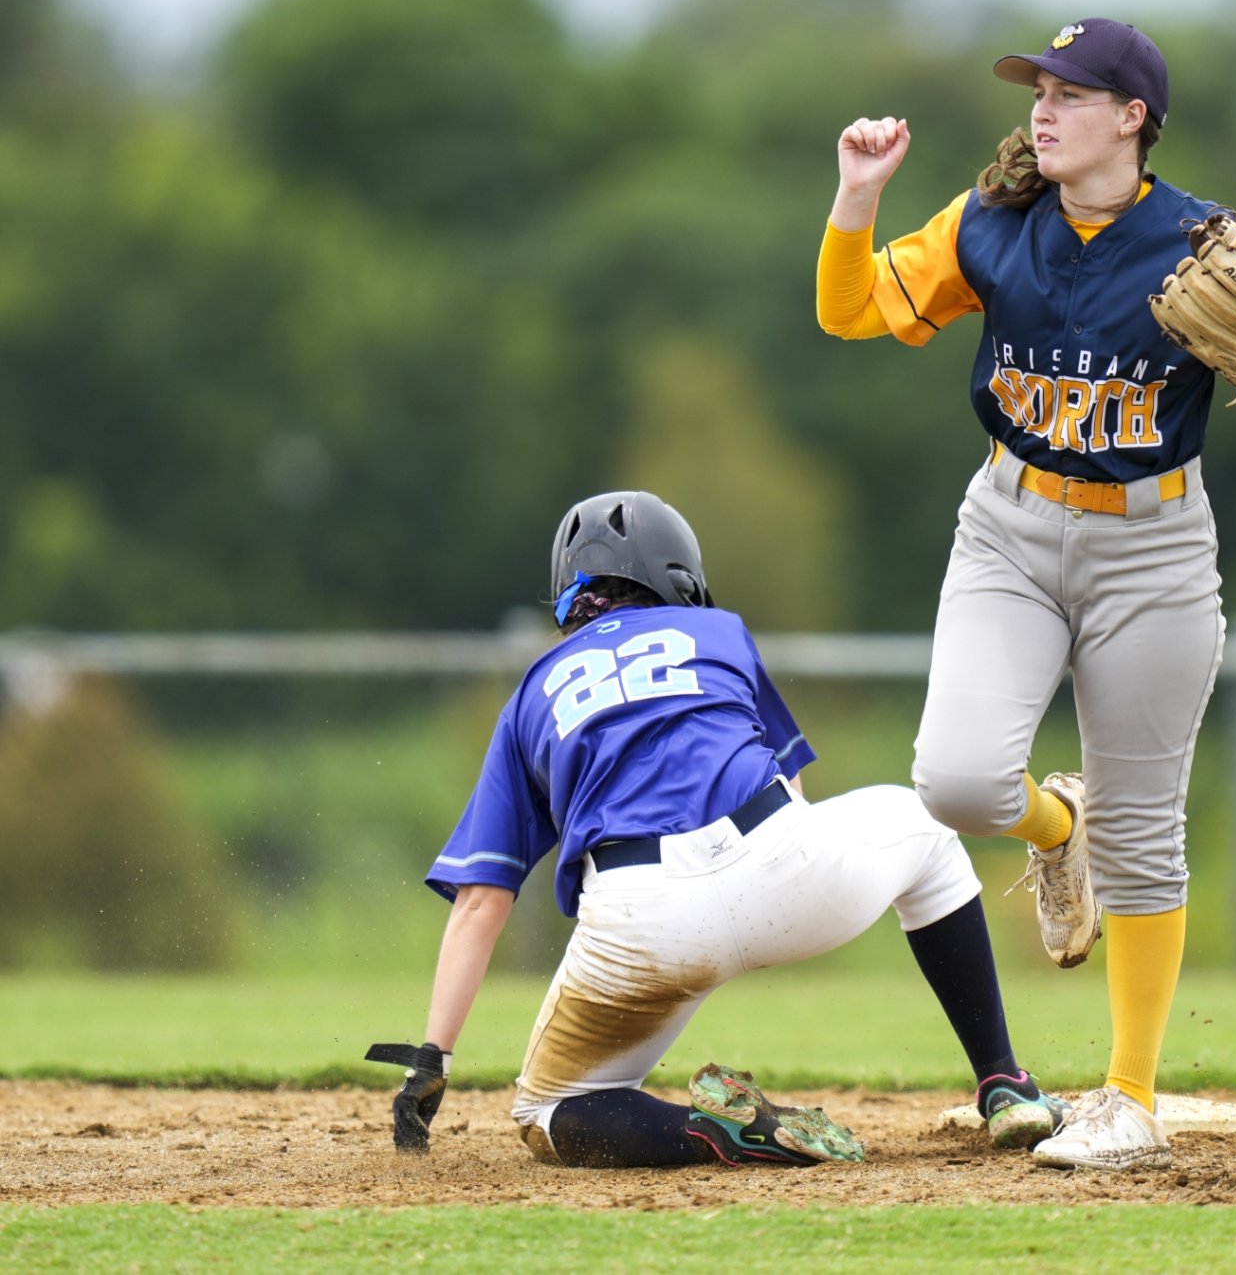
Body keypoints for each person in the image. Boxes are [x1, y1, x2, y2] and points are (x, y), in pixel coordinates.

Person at [817, 18, 1236, 1171]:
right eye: (1038, 89)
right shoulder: (990, 224)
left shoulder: (1200, 238)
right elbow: (849, 310)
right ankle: (1058, 829)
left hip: (1152, 547)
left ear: (1131, 117)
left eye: (1073, 93)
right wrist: (857, 199)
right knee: (952, 779)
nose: (1042, 109)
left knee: (1149, 836)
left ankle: (1129, 1098)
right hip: (1008, 525)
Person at [366, 490, 1064, 1168]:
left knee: (551, 1110)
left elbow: (482, 899)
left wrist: (432, 1057)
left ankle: (715, 1131)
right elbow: (794, 790)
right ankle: (1003, 1083)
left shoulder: (533, 691)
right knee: (927, 829)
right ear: (677, 576)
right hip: (779, 863)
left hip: (641, 922)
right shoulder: (717, 631)